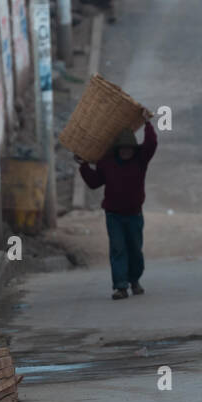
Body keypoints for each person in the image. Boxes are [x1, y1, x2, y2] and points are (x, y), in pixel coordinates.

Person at [76, 120, 158, 299]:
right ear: (117, 149)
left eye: (129, 148)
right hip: (114, 215)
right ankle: (121, 286)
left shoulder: (140, 160)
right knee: (118, 249)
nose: (126, 151)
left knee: (135, 249)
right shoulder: (107, 162)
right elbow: (94, 182)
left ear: (134, 149)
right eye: (123, 148)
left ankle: (134, 280)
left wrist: (147, 124)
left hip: (134, 215)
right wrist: (83, 166)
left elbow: (151, 143)